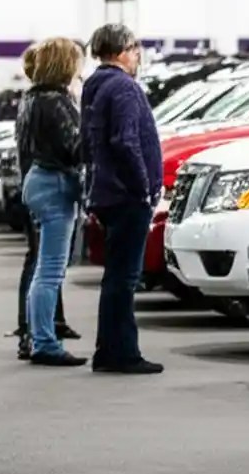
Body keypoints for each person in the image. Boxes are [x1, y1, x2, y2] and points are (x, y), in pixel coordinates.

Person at [81, 24, 164, 375]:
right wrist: (144, 187)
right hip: (127, 195)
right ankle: (122, 353)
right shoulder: (125, 88)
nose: (137, 54)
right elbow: (126, 141)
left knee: (114, 276)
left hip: (105, 190)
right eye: (133, 48)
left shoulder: (93, 85)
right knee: (124, 278)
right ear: (118, 51)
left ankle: (108, 349)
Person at [17, 37, 86, 367]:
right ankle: (45, 341)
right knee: (50, 271)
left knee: (43, 269)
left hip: (39, 180)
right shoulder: (55, 100)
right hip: (55, 183)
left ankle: (36, 336)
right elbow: (75, 147)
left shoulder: (31, 98)